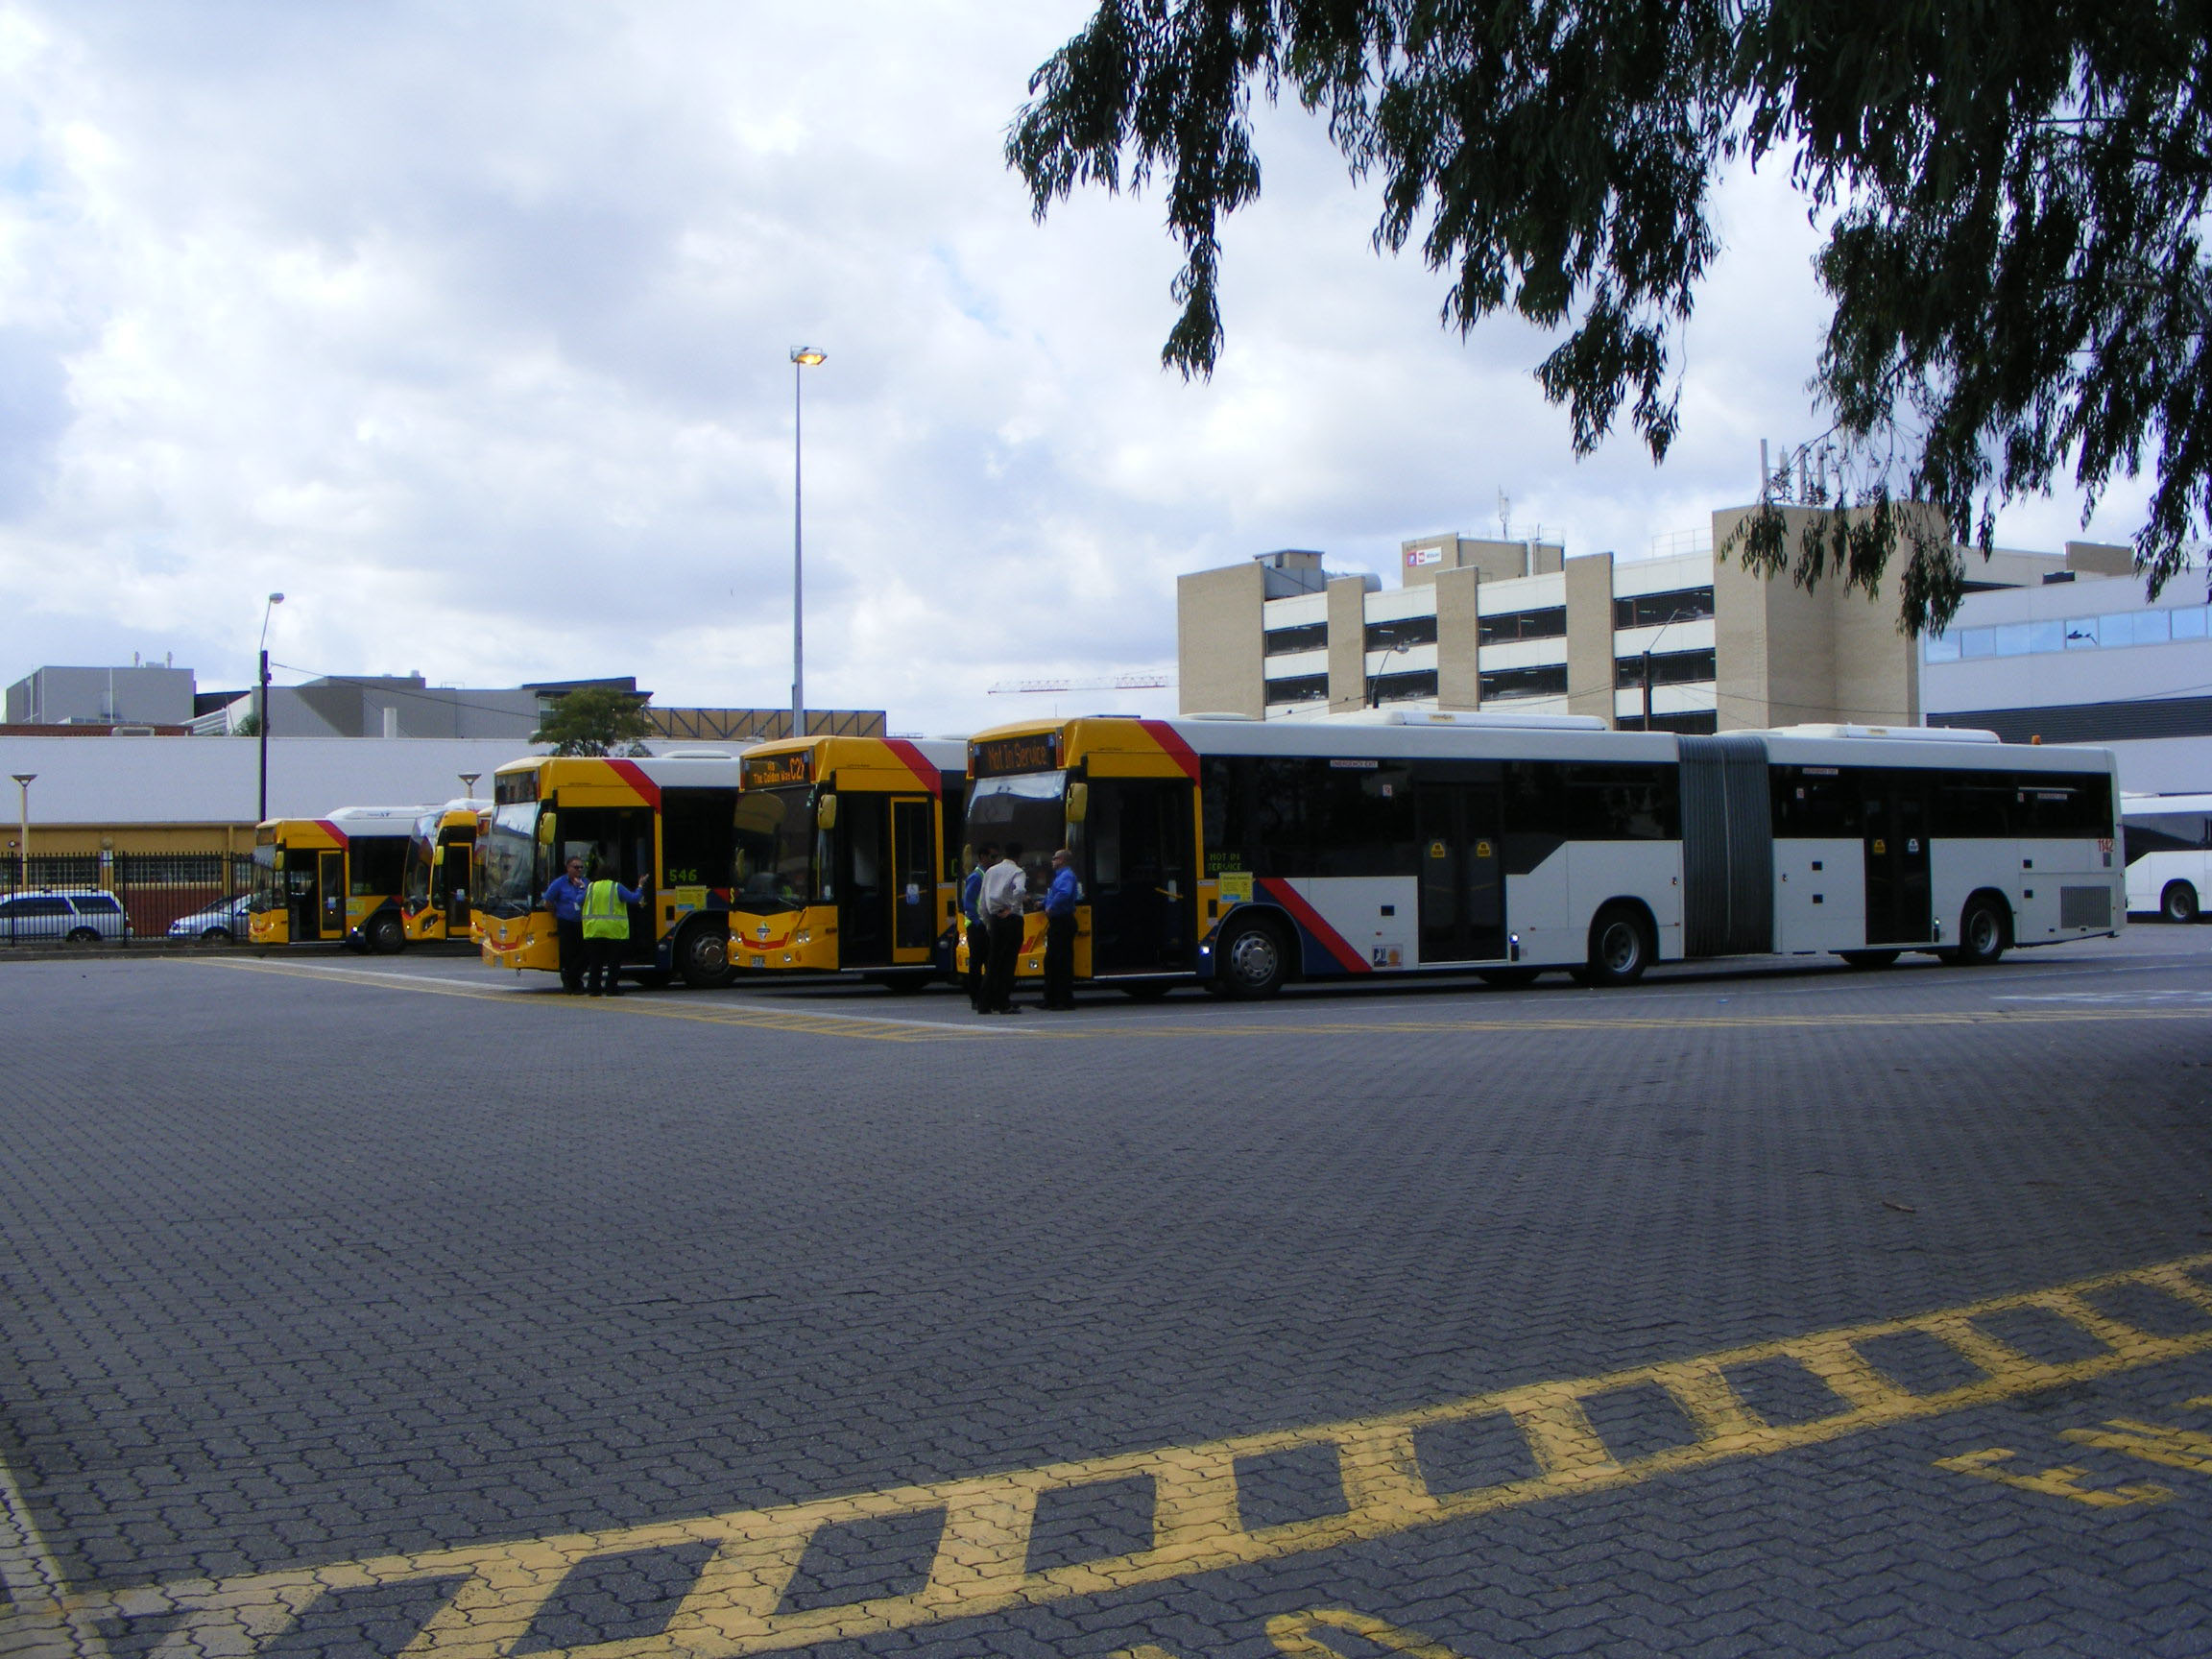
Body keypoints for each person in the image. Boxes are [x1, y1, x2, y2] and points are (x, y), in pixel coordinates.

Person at [580, 861, 647, 997]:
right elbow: (634, 898)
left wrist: (581, 888)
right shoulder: (616, 887)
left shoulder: (590, 887)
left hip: (593, 930)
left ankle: (594, 988)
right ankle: (611, 988)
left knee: (596, 962)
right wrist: (640, 886)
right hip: (613, 931)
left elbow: (579, 900)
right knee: (613, 962)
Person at [979, 841, 1028, 1013]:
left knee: (993, 962)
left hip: (994, 918)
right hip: (1011, 919)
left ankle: (984, 1003)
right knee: (1008, 962)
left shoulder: (990, 871)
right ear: (1018, 856)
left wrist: (987, 922)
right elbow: (1020, 891)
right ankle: (1003, 1002)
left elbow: (983, 900)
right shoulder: (1018, 872)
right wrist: (1013, 909)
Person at [542, 855, 590, 994]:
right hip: (566, 922)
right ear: (568, 868)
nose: (579, 870)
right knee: (567, 953)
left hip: (582, 922)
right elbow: (548, 902)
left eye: (581, 867)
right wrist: (557, 913)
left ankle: (574, 978)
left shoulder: (586, 883)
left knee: (584, 952)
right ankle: (570, 983)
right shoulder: (559, 883)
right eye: (576, 867)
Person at [1041, 847, 1078, 1010]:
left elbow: (1063, 894)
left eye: (1054, 858)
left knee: (1060, 961)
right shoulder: (1060, 876)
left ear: (1062, 860)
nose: (1052, 861)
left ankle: (1063, 1000)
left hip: (1062, 921)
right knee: (1052, 961)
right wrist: (1042, 903)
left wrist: (1051, 907)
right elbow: (1054, 894)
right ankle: (1052, 999)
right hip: (1059, 922)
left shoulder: (1066, 876)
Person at [961, 844, 995, 1014]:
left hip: (984, 924)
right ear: (982, 857)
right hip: (977, 926)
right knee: (977, 963)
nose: (994, 860)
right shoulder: (977, 876)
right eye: (992, 857)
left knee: (988, 962)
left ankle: (987, 996)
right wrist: (977, 922)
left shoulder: (987, 874)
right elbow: (968, 903)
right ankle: (975, 997)